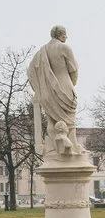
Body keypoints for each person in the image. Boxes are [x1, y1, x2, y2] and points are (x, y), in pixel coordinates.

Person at [28, 25, 81, 156]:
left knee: (51, 119)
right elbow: (73, 69)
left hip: (47, 90)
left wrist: (40, 89)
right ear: (61, 35)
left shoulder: (41, 51)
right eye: (65, 34)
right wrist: (72, 84)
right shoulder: (64, 48)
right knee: (70, 119)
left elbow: (30, 70)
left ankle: (53, 149)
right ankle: (72, 143)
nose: (66, 37)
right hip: (64, 87)